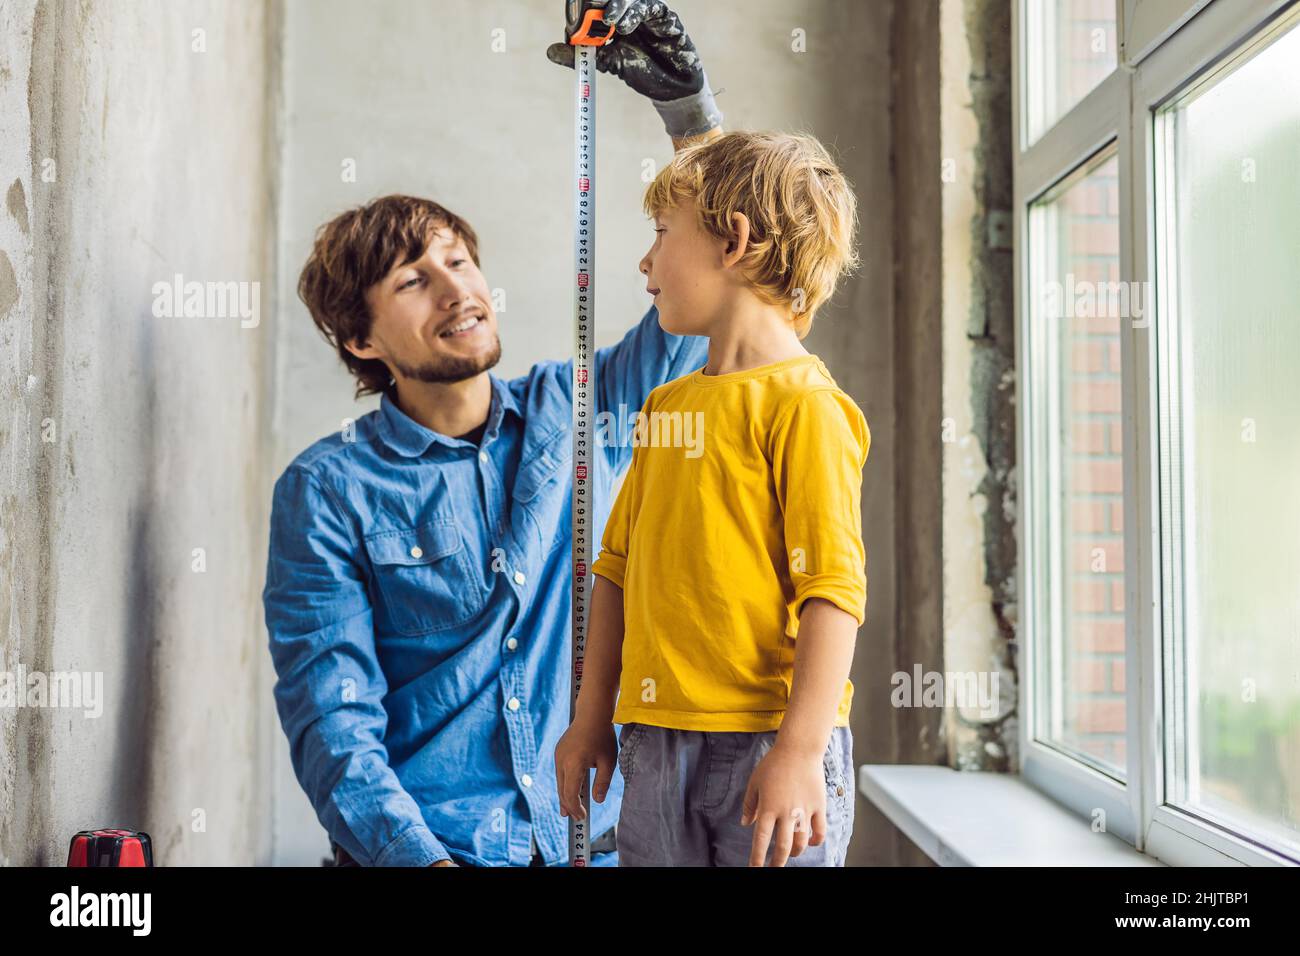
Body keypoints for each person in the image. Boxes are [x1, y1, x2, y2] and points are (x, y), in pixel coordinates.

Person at [262, 0, 721, 866]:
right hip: (436, 851)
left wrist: (688, 114)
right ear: (360, 340)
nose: (456, 290)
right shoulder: (327, 491)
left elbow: (711, 301)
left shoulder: (581, 409)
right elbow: (333, 720)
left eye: (459, 261)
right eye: (412, 281)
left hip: (604, 843)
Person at [554, 130, 870, 867]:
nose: (646, 260)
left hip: (769, 740)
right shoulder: (664, 407)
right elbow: (615, 571)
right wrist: (591, 716)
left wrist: (800, 751)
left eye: (663, 233)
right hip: (654, 738)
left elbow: (833, 592)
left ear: (734, 241)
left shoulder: (807, 409)